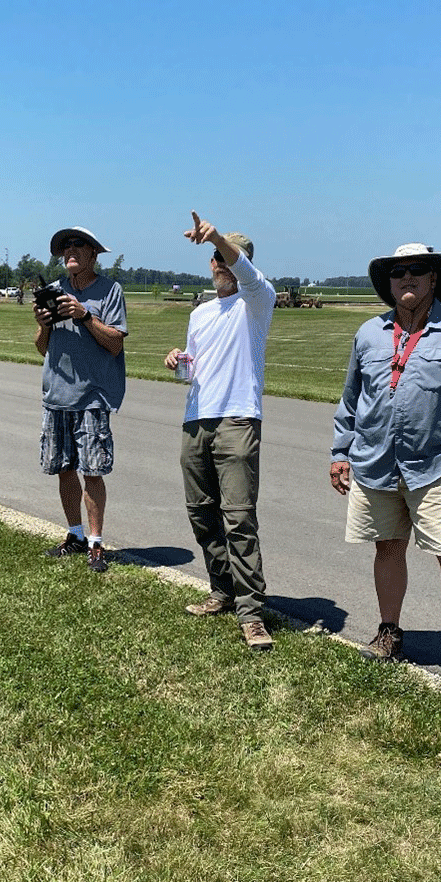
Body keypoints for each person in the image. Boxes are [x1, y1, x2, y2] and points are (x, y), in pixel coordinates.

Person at [330, 242, 441, 697]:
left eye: (417, 270)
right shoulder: (369, 333)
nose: (406, 277)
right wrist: (340, 451)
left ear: (434, 279)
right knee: (388, 549)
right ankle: (389, 633)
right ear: (388, 283)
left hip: (440, 464)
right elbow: (351, 400)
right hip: (375, 462)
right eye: (398, 272)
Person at [164, 213, 277, 651]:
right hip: (197, 417)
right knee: (201, 511)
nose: (222, 264)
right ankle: (222, 590)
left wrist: (219, 238)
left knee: (239, 517)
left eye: (229, 257)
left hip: (237, 418)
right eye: (216, 257)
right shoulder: (200, 313)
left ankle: (252, 613)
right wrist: (178, 360)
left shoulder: (256, 300)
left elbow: (246, 272)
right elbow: (192, 371)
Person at [34, 226, 127, 572]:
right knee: (64, 469)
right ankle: (74, 535)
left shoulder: (110, 291)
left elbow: (116, 342)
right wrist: (44, 324)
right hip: (57, 394)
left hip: (92, 396)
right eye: (65, 246)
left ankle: (96, 543)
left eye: (78, 245)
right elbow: (43, 348)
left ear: (93, 254)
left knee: (93, 471)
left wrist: (84, 315)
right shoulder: (55, 290)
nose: (70, 250)